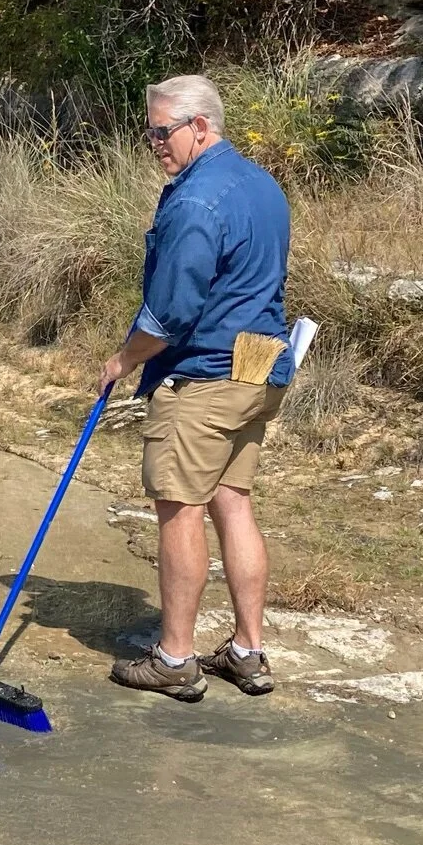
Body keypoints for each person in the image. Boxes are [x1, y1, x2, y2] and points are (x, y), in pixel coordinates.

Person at [99, 73, 293, 702]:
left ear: (200, 127)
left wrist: (123, 360)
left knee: (179, 507)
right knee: (232, 502)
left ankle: (175, 658)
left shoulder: (193, 201)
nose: (154, 143)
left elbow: (171, 310)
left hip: (205, 371)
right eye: (149, 132)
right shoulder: (262, 184)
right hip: (261, 363)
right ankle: (247, 652)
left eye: (163, 132)